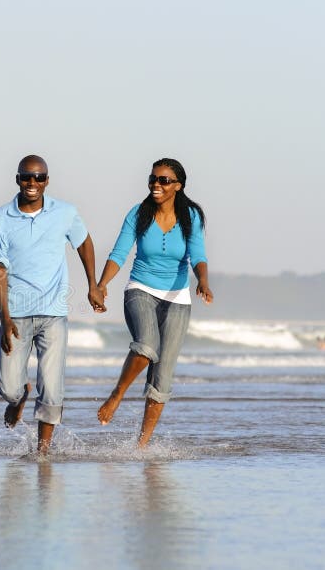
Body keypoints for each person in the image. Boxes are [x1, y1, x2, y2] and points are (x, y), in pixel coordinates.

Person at [0, 155, 105, 454]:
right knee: (9, 389)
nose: (32, 183)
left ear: (47, 181)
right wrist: (5, 318)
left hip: (53, 312)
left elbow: (84, 242)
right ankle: (20, 397)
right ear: (17, 179)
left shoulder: (65, 212)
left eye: (39, 177)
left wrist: (93, 285)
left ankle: (43, 452)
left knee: (52, 388)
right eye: (27, 177)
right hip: (15, 313)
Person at [95, 157, 213, 447]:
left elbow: (198, 255)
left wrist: (203, 281)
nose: (156, 185)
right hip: (140, 289)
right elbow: (119, 253)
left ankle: (142, 446)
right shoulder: (138, 213)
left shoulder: (191, 216)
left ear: (178, 186)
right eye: (153, 179)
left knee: (162, 378)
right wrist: (101, 285)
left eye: (163, 180)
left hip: (177, 298)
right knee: (146, 346)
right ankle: (117, 395)